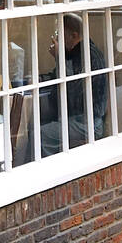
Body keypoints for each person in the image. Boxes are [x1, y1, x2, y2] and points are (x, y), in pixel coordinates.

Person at [39, 14, 106, 154]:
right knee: (37, 124)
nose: (57, 39)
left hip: (87, 122)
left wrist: (59, 57)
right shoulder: (76, 53)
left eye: (60, 34)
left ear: (73, 35)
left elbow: (71, 91)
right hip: (76, 118)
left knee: (40, 136)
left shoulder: (88, 56)